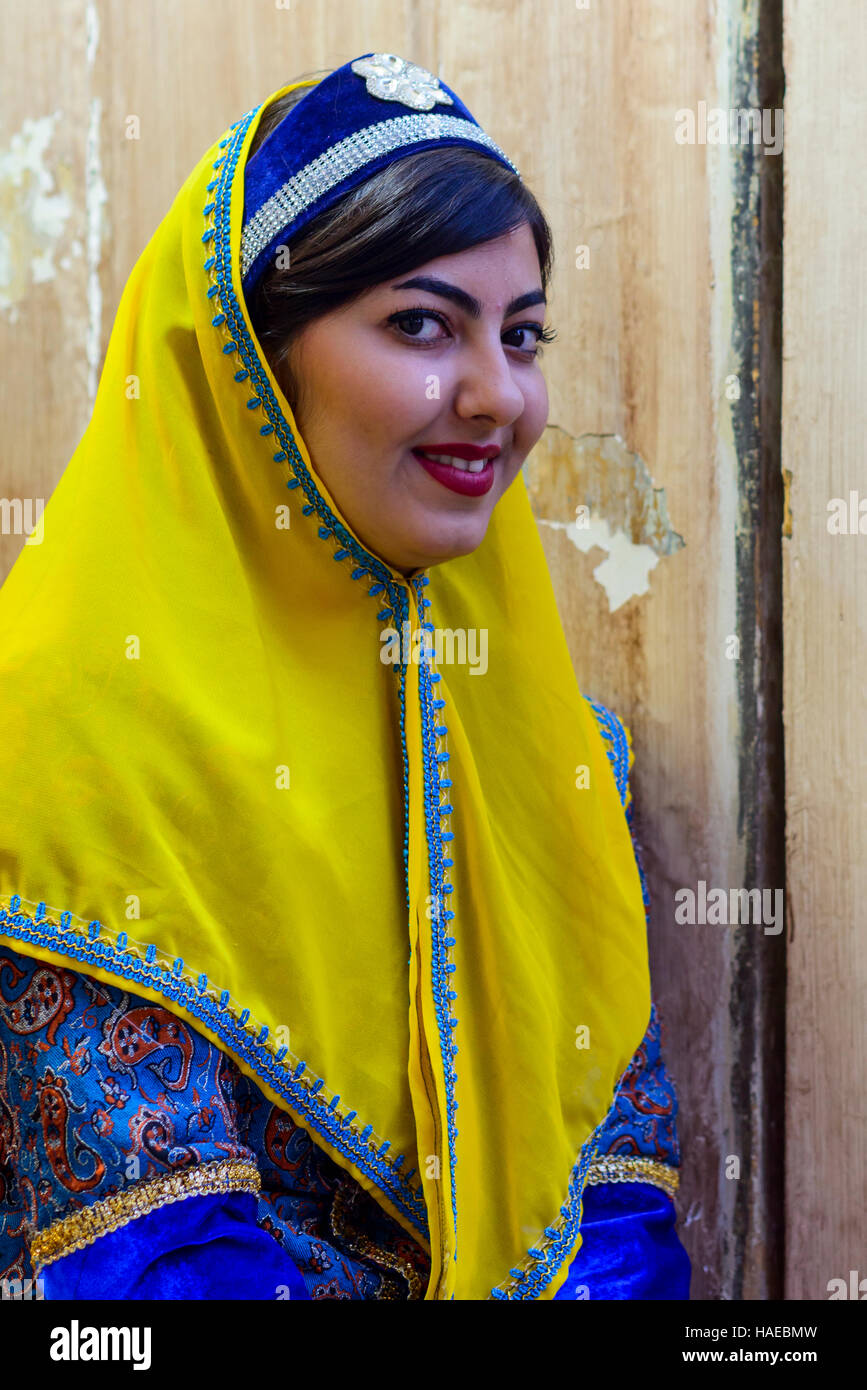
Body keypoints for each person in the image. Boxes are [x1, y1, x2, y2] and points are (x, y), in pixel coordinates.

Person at [0, 53, 691, 1300]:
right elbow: (146, 1271)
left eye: (522, 334)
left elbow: (619, 1194)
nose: (498, 396)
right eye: (422, 324)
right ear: (256, 364)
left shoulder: (542, 750)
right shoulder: (69, 738)